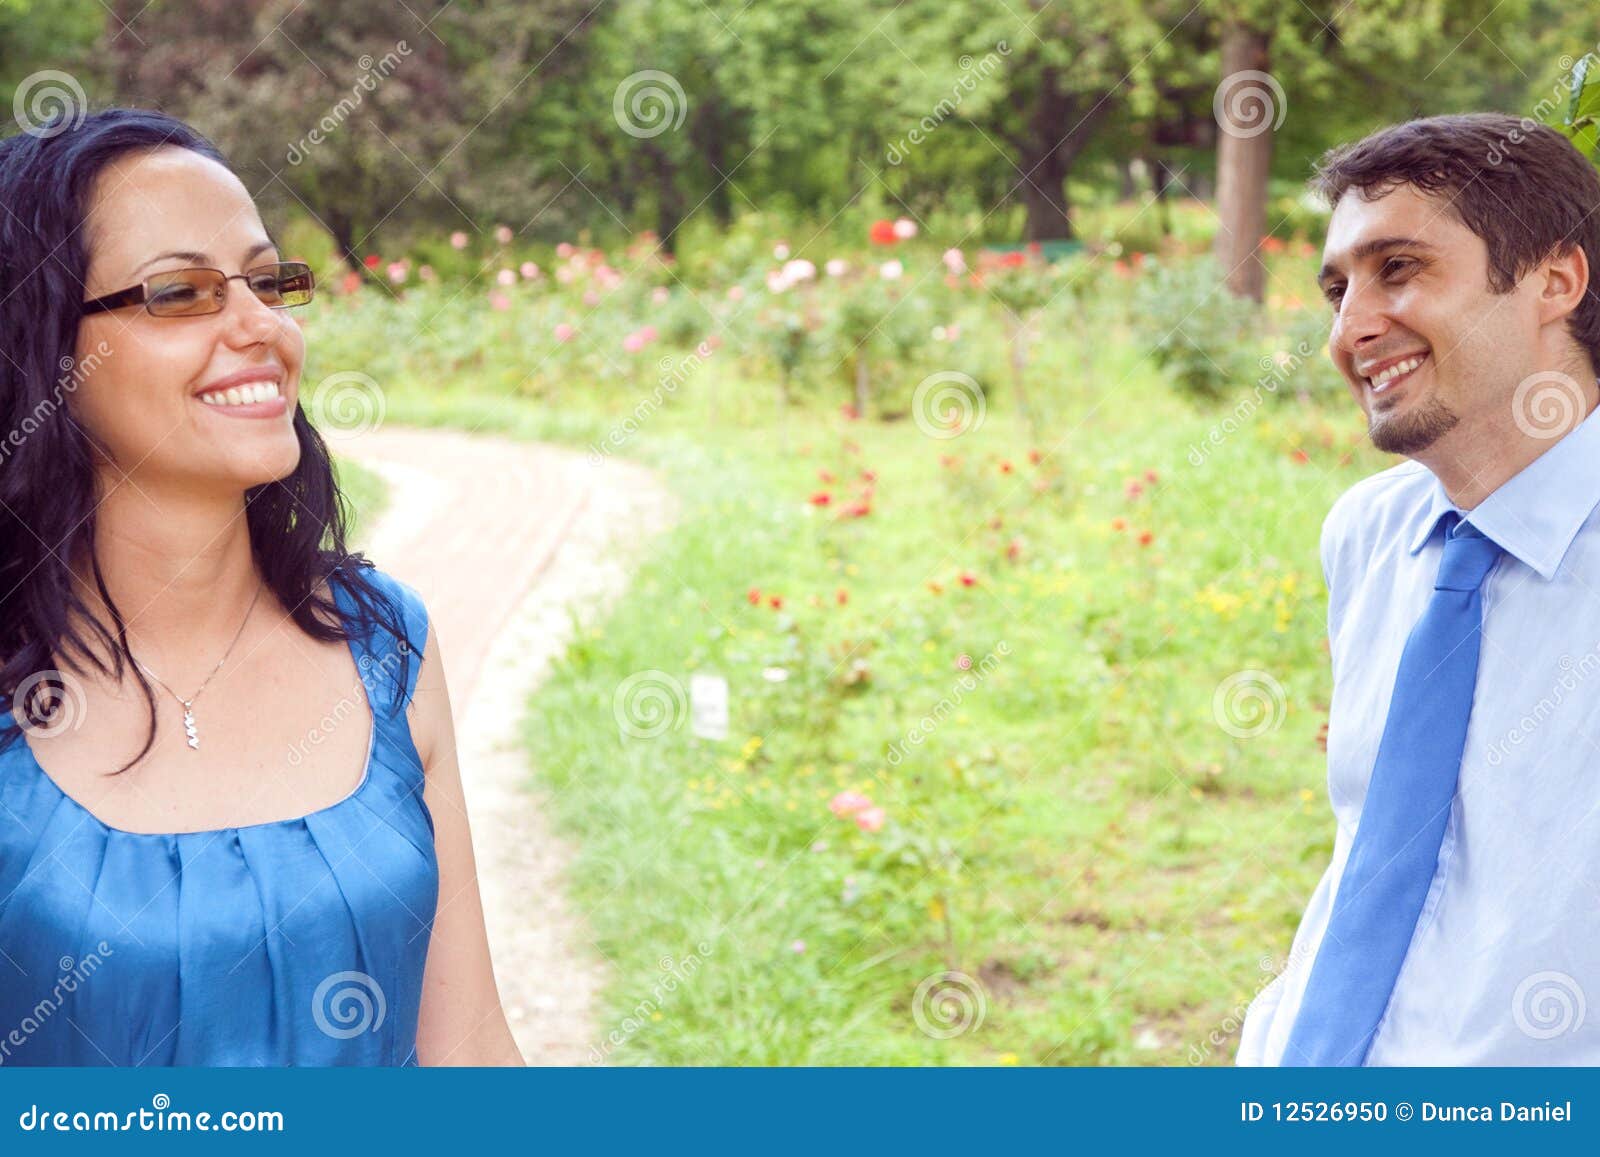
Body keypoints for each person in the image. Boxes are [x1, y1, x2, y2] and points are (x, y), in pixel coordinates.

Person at [0, 108, 522, 1066]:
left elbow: (472, 1050)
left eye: (267, 281)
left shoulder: (385, 642)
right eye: (181, 293)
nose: (261, 326)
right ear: (47, 351)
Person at [1238, 112, 1600, 1065]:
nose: (1349, 330)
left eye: (1399, 269)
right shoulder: (1368, 534)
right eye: (1336, 288)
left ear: (1555, 280)